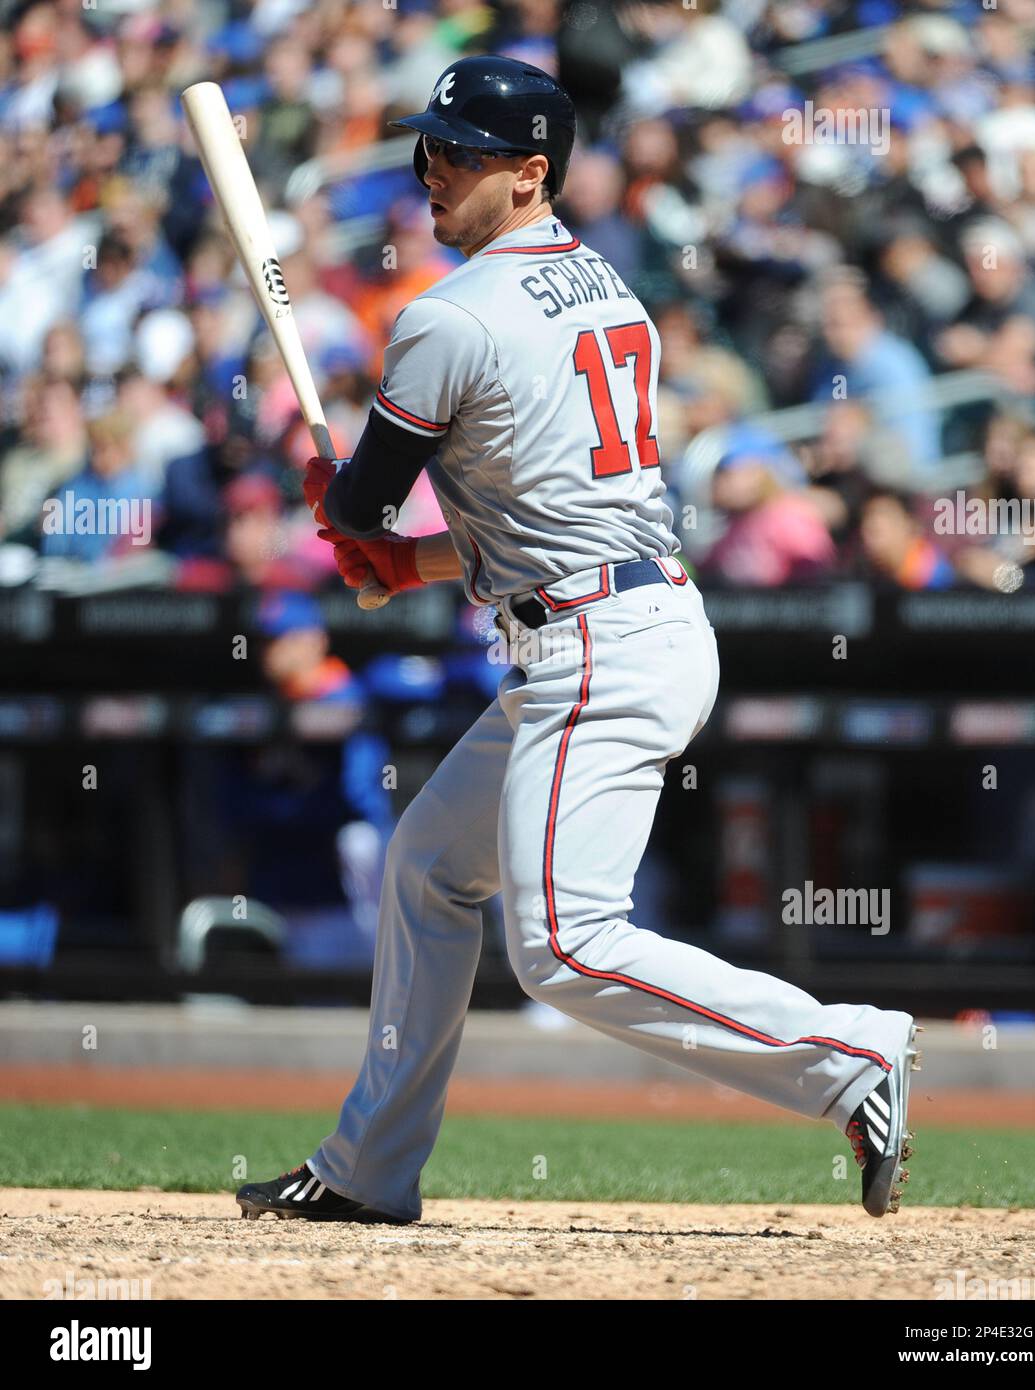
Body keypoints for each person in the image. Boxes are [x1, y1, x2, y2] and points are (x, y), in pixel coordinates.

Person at [236, 56, 920, 1227]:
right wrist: (401, 556)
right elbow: (534, 516)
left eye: (460, 153)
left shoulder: (447, 315)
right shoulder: (606, 286)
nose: (433, 171)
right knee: (427, 868)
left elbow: (364, 502)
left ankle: (850, 1053)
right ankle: (368, 1167)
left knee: (563, 946)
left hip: (594, 641)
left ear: (531, 173)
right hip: (621, 611)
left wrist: (341, 504)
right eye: (428, 149)